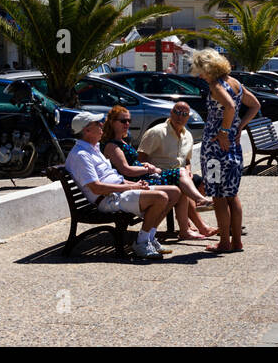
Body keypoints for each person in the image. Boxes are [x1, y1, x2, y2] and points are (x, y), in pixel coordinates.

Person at [64, 111, 176, 259]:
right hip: (107, 199)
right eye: (97, 123)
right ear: (87, 130)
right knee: (161, 197)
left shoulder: (94, 149)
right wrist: (131, 187)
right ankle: (141, 243)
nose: (101, 125)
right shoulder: (81, 155)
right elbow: (97, 187)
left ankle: (149, 237)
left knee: (174, 192)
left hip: (119, 192)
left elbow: (113, 178)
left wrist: (134, 184)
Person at [190, 48, 260, 254]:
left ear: (208, 68)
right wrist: (239, 127)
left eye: (200, 70)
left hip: (215, 149)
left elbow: (229, 106)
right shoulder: (235, 83)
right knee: (232, 195)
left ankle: (224, 243)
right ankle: (237, 242)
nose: (199, 75)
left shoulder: (216, 85)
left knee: (218, 197)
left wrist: (223, 131)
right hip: (233, 148)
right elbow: (254, 105)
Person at [138, 101, 219, 240]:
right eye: (177, 112)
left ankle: (191, 226)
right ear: (171, 113)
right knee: (181, 183)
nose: (179, 116)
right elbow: (141, 158)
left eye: (184, 114)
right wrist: (153, 170)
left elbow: (186, 160)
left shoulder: (188, 135)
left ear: (188, 117)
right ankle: (199, 217)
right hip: (159, 175)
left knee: (202, 181)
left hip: (179, 174)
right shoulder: (157, 132)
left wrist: (188, 170)